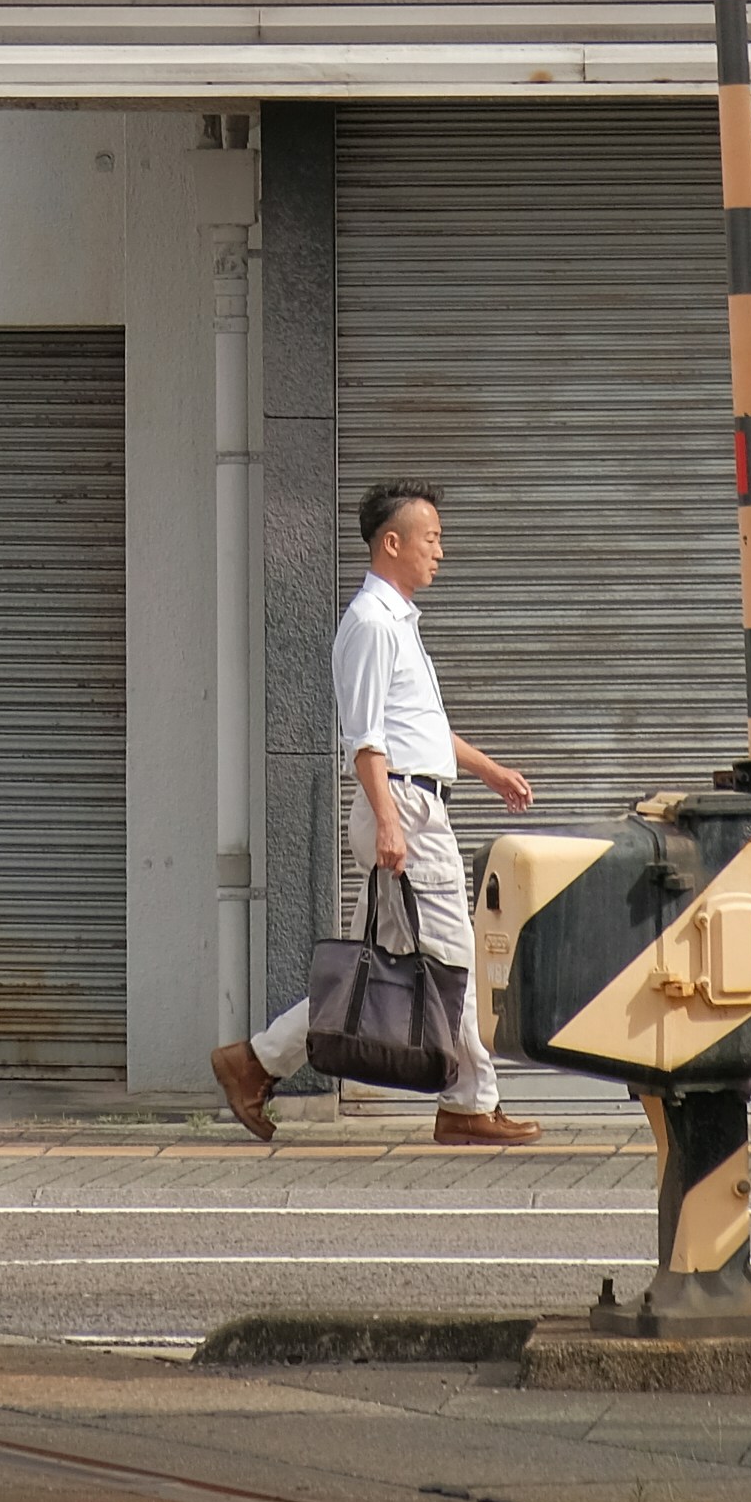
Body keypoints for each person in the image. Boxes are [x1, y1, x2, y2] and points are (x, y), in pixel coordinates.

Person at [211, 479, 544, 1150]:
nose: (440, 552)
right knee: (452, 958)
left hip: (409, 802)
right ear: (392, 543)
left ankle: (254, 1062)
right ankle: (470, 1103)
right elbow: (365, 737)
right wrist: (389, 819)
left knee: (389, 961)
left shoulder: (396, 623)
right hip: (403, 809)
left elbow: (421, 729)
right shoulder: (368, 624)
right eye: (431, 539)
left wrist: (490, 771)